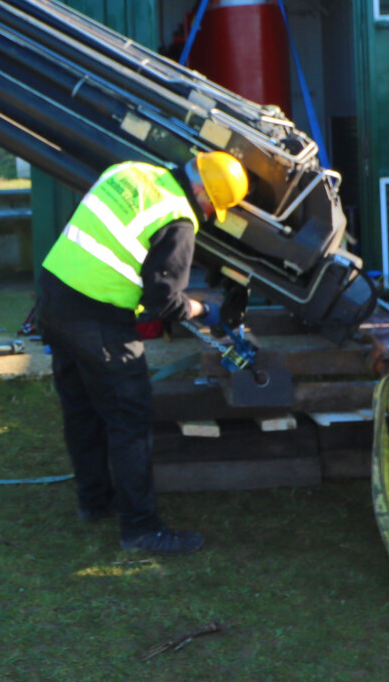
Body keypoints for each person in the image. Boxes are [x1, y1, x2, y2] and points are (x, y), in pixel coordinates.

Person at [36, 152, 248, 555]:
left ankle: (94, 501)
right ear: (201, 190)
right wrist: (208, 310)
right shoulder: (179, 221)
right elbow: (164, 301)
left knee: (82, 410)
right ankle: (140, 528)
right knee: (129, 417)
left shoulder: (131, 171)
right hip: (95, 317)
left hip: (53, 296)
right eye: (211, 207)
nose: (209, 216)